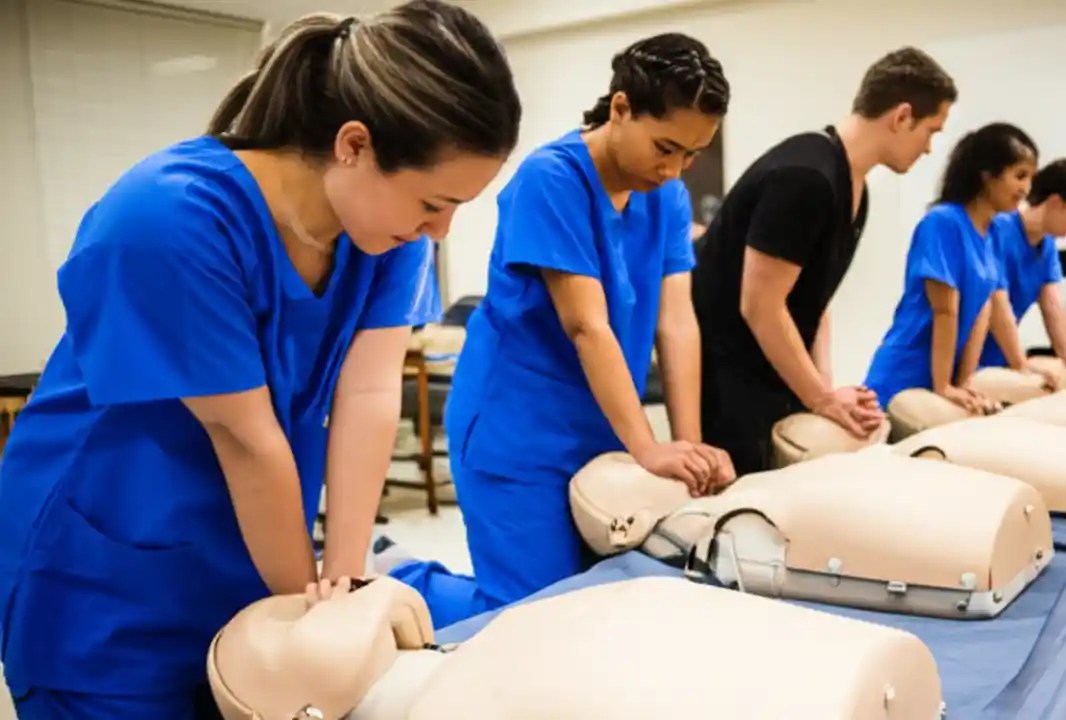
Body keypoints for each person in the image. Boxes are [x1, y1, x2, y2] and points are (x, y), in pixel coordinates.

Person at [0, 3, 521, 717]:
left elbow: (369, 396)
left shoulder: (385, 236)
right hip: (106, 558)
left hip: (253, 539)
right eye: (434, 202)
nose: (441, 229)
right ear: (354, 145)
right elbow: (246, 441)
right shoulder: (170, 218)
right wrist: (308, 626)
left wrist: (341, 588)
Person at [384, 33, 735, 628]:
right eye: (665, 147)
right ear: (620, 108)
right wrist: (648, 447)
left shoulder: (666, 198)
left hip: (599, 428)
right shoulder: (552, 179)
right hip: (516, 429)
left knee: (591, 603)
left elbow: (677, 324)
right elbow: (586, 325)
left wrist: (690, 449)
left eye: (692, 155)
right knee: (525, 615)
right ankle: (392, 580)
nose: (674, 169)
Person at [690, 47, 956, 474]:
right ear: (902, 116)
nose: (928, 148)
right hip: (728, 378)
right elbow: (760, 306)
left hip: (772, 373)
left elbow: (814, 299)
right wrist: (822, 399)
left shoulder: (854, 188)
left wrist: (825, 390)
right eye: (931, 131)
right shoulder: (806, 175)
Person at [864, 122, 1039, 415]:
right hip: (904, 374)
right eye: (1020, 176)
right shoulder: (942, 222)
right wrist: (943, 385)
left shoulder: (994, 232)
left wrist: (964, 379)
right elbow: (945, 310)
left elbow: (984, 309)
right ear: (987, 175)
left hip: (943, 376)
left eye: (1031, 178)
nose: (1026, 189)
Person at [981, 158, 1066, 383]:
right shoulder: (999, 230)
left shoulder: (1046, 246)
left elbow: (1052, 305)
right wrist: (1020, 365)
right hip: (968, 361)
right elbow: (998, 307)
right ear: (1056, 202)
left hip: (999, 359)